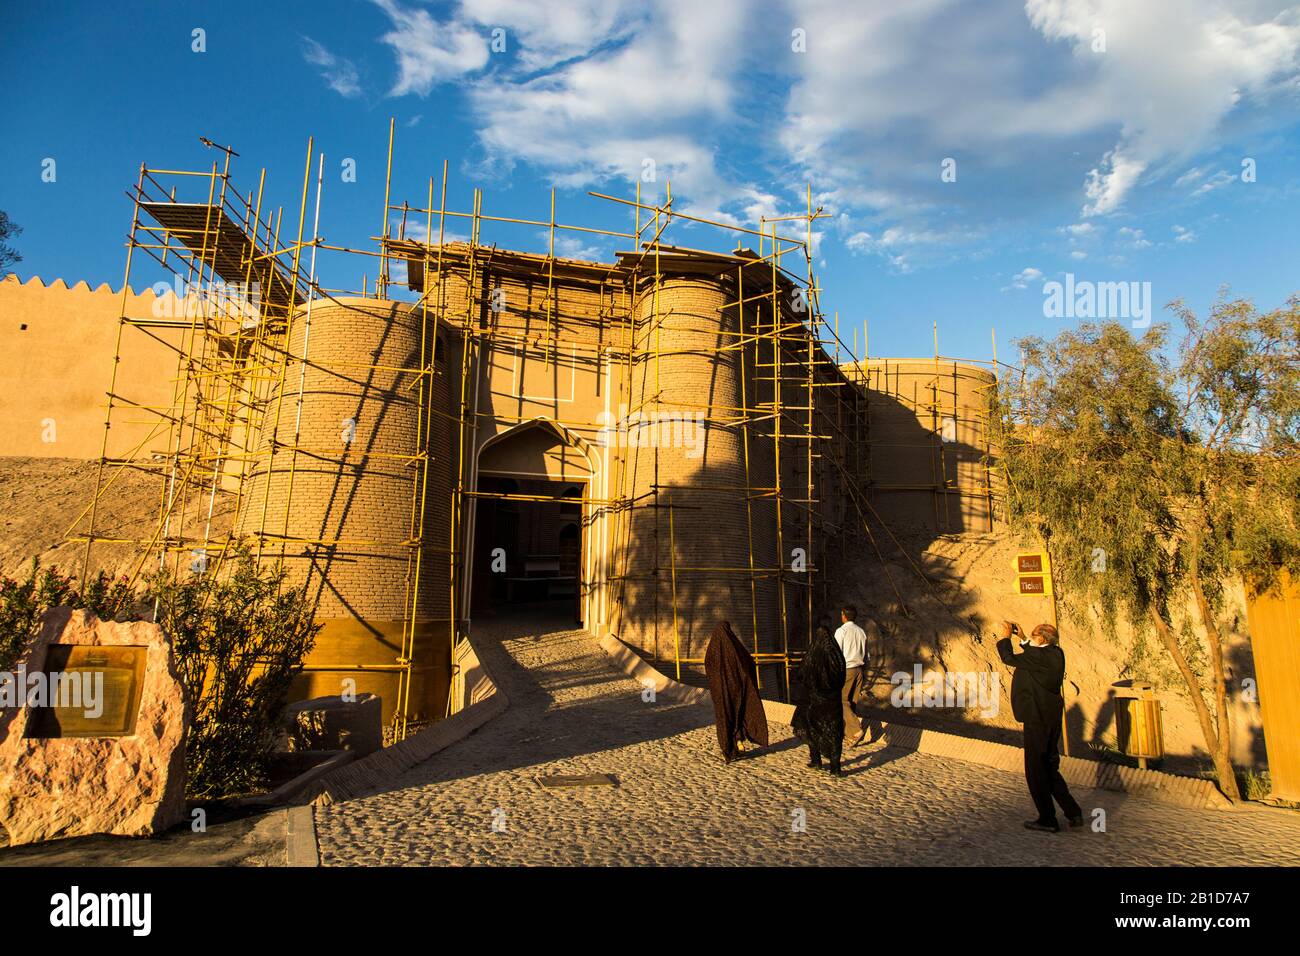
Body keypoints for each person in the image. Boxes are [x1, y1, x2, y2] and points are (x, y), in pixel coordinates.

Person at [994, 620, 1083, 833]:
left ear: (1042, 639)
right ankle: (1073, 812)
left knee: (1035, 770)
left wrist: (1006, 637)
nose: (1032, 639)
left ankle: (1047, 819)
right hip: (1051, 718)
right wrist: (1023, 637)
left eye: (1035, 636)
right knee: (1050, 767)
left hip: (1036, 718)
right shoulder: (1056, 654)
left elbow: (1008, 658)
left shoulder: (1036, 656)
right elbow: (1035, 654)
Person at [704, 620, 769, 763]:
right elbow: (746, 662)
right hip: (736, 690)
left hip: (721, 693)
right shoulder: (734, 648)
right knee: (738, 714)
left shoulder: (712, 650)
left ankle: (728, 748)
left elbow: (709, 667)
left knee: (725, 717)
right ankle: (738, 740)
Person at [792, 624, 847, 776]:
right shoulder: (837, 656)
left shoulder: (812, 655)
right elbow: (842, 676)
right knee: (835, 732)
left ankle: (816, 760)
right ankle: (835, 767)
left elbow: (802, 674)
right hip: (833, 702)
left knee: (813, 730)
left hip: (814, 701)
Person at [834, 605, 868, 743]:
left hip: (847, 669)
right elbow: (867, 654)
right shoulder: (861, 632)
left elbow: (836, 653)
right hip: (859, 669)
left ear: (844, 615)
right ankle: (849, 734)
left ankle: (855, 730)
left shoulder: (841, 631)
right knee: (852, 702)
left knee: (841, 700)